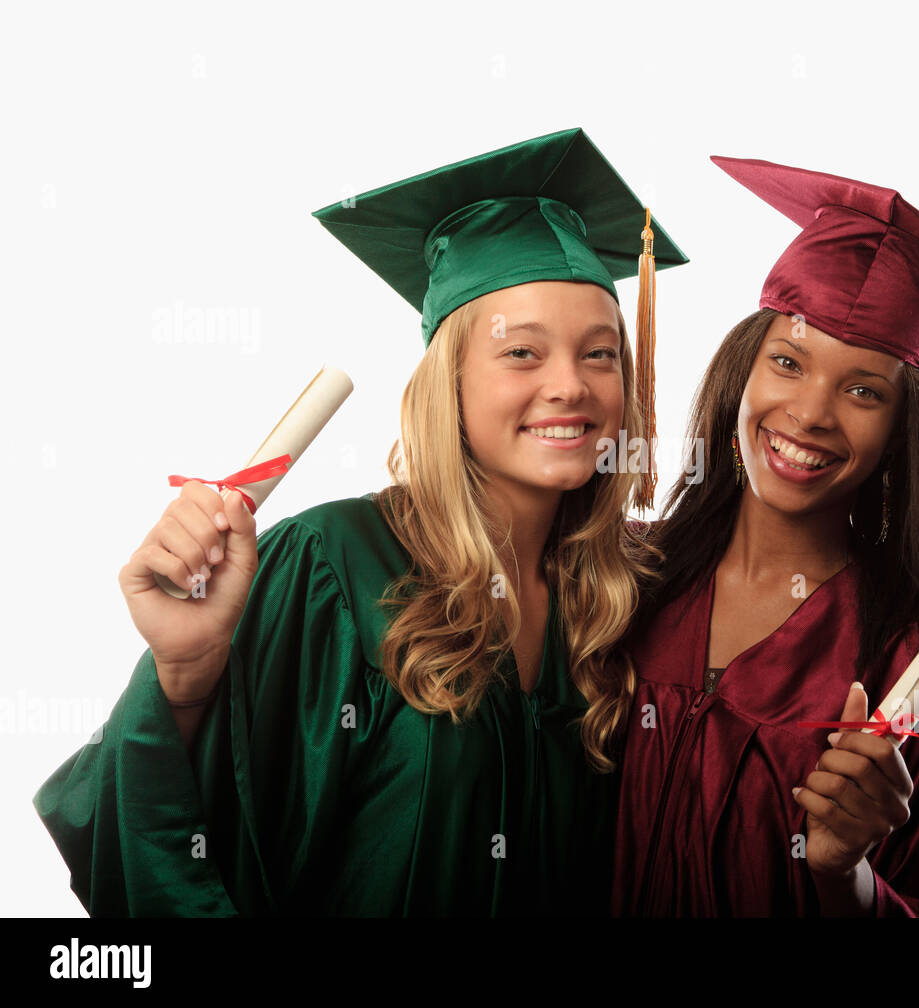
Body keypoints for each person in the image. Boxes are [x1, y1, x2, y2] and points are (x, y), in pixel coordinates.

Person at [33, 128, 687, 916]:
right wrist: (185, 677)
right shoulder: (331, 565)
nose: (569, 385)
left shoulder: (617, 596)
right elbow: (170, 833)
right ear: (449, 381)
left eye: (601, 354)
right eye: (521, 354)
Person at [612, 155, 919, 916]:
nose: (812, 413)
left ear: (900, 433)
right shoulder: (623, 577)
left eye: (862, 389)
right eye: (788, 362)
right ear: (742, 375)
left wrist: (845, 876)